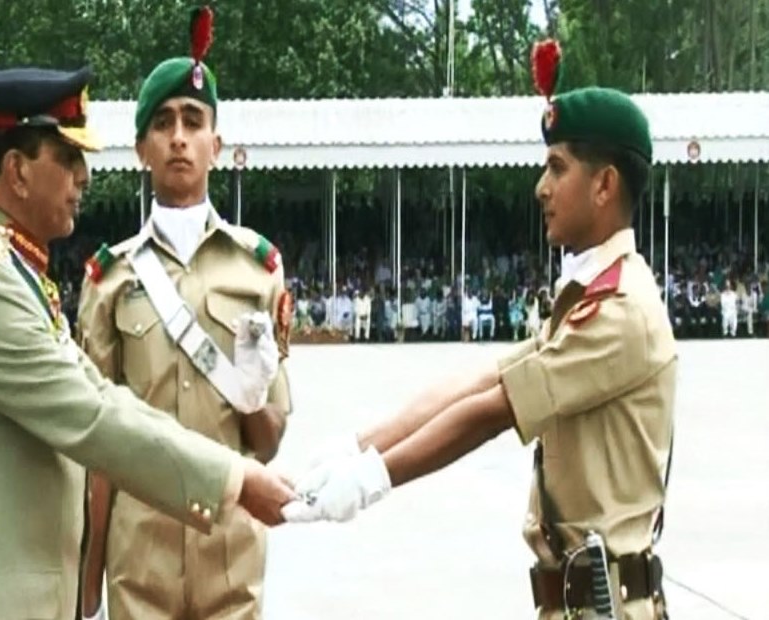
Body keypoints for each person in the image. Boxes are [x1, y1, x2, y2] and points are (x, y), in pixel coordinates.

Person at [284, 41, 676, 620]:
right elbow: (480, 381)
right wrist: (357, 445)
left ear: (604, 185)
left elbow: (492, 411)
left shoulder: (621, 312)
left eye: (558, 167)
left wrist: (370, 479)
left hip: (607, 606)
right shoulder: (590, 296)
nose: (541, 187)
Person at [0, 65, 294, 620]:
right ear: (16, 170)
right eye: (66, 157)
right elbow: (93, 420)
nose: (83, 175)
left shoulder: (15, 272)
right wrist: (235, 478)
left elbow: (108, 400)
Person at [77, 9, 292, 619]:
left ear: (216, 145)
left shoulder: (259, 270)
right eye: (164, 123)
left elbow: (269, 444)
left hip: (232, 557)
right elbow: (94, 444)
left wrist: (252, 392)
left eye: (194, 122)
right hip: (138, 559)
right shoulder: (110, 280)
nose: (178, 136)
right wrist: (88, 575)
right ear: (141, 148)